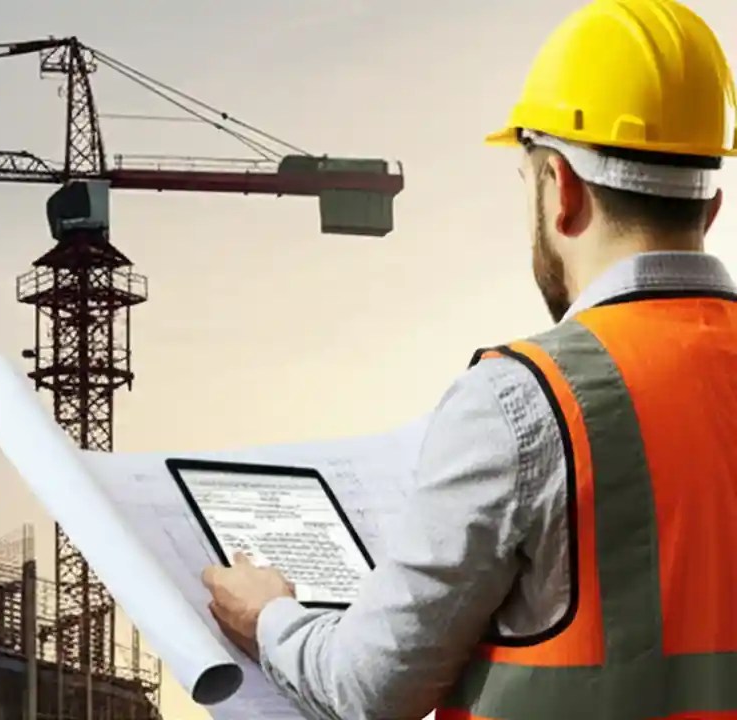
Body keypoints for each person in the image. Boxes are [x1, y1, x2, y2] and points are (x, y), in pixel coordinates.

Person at [201, 0, 737, 717]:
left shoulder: (524, 405)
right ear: (711, 205)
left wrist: (268, 618)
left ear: (561, 189)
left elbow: (370, 688)